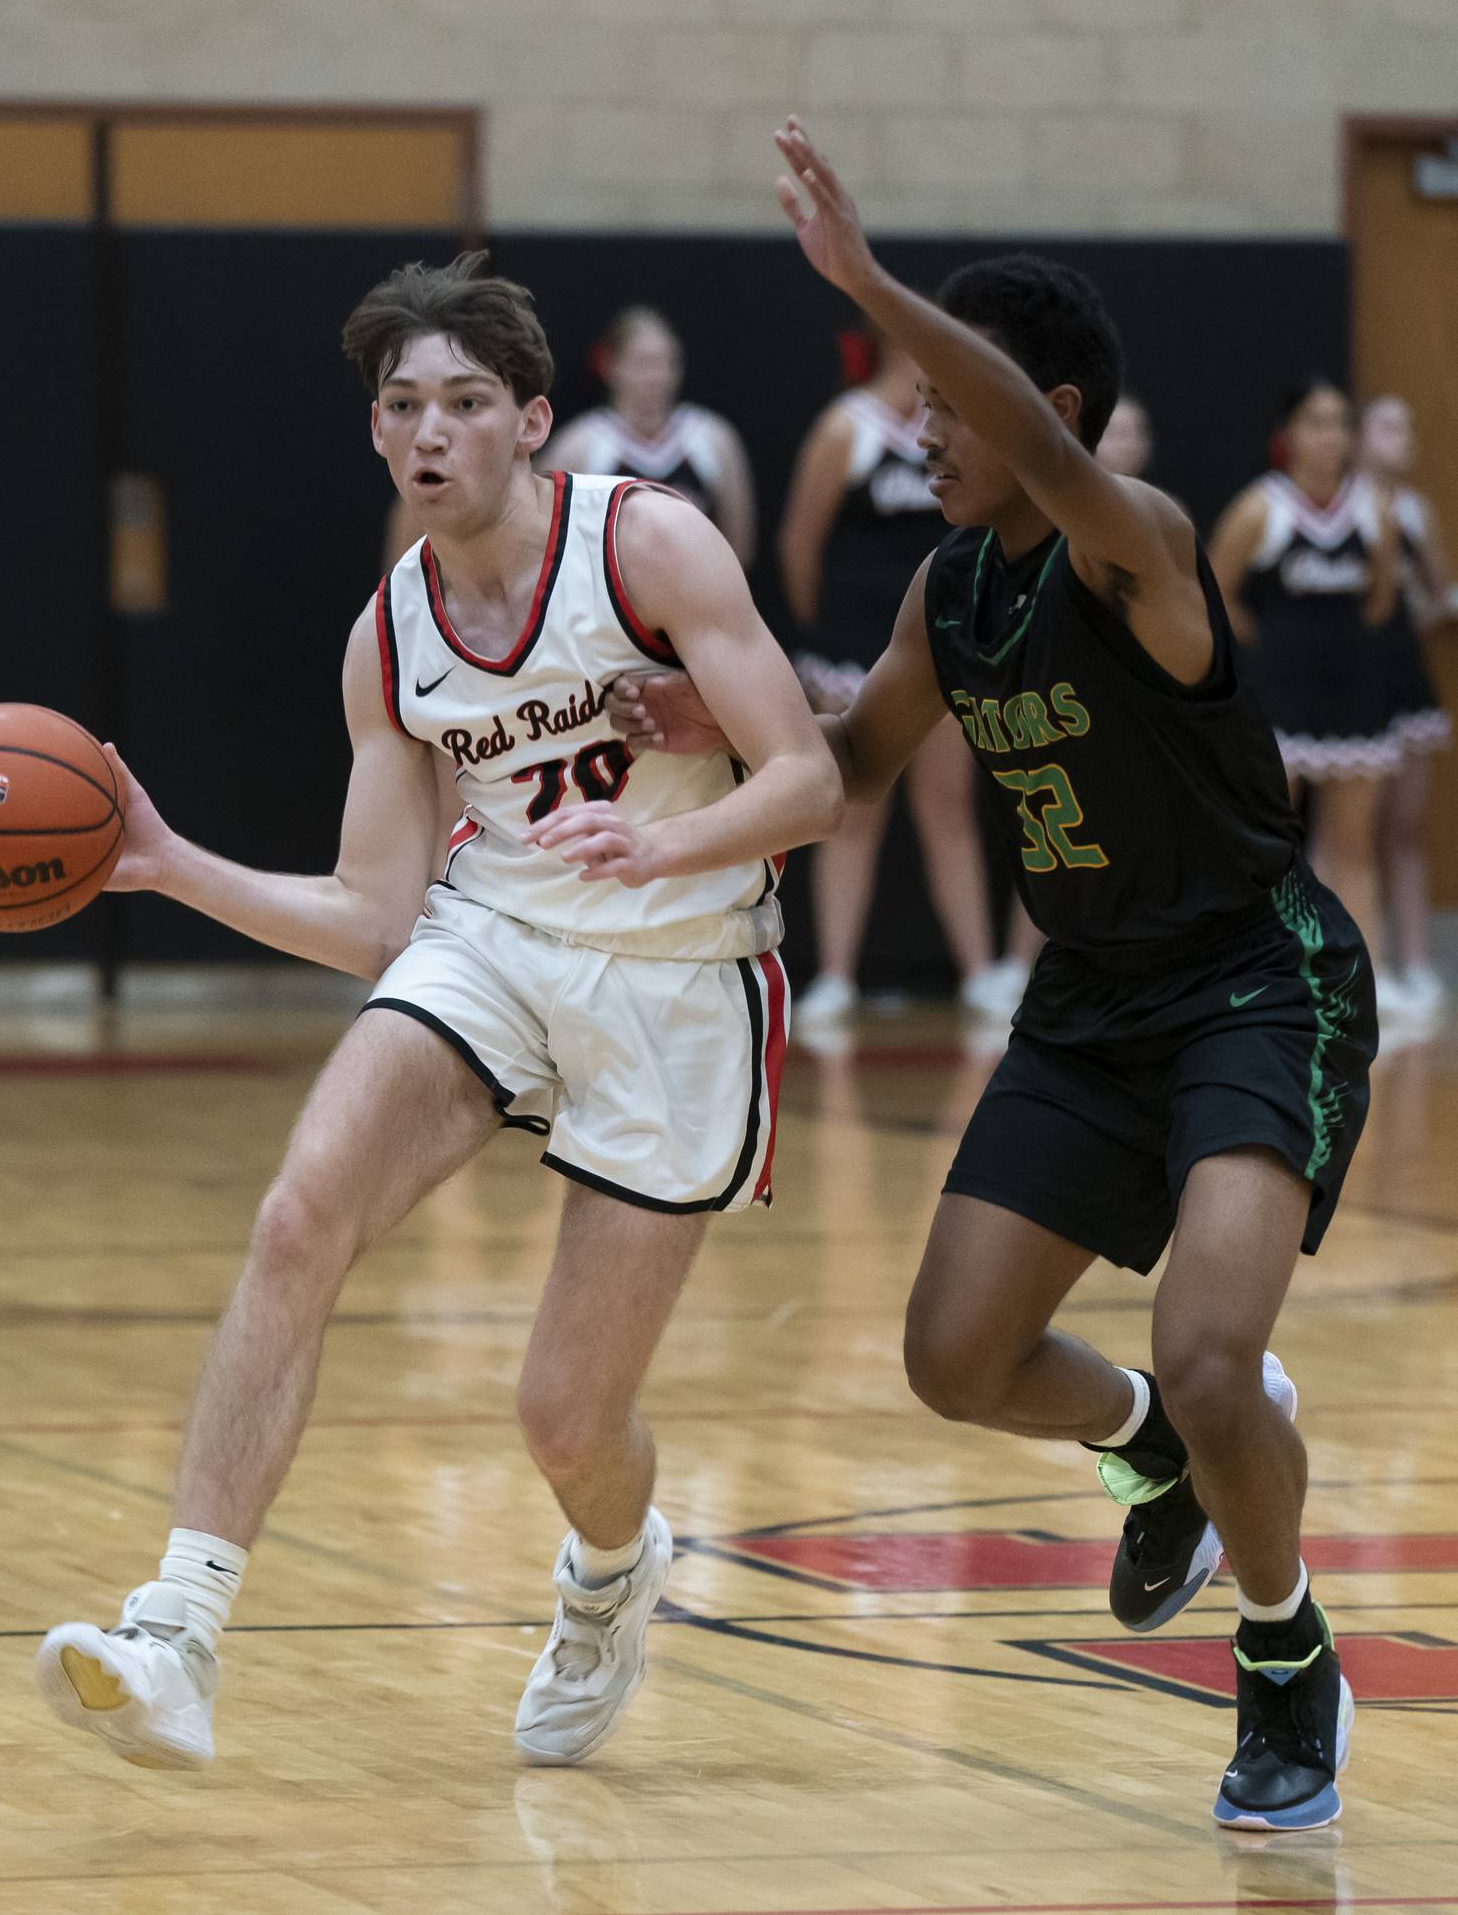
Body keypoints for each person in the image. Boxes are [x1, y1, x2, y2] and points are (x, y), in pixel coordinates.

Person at [614, 119, 1375, 1833]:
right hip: (1092, 1003)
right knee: (954, 1357)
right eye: (919, 398)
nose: (924, 429)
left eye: (952, 405)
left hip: (1258, 983)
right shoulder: (949, 597)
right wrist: (717, 727)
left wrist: (870, 278)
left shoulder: (1141, 550)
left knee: (1211, 1344)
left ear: (1055, 422)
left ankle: (1281, 1650)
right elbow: (854, 763)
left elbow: (1026, 427)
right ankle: (1163, 1456)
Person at [34, 253, 840, 1772]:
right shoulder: (390, 635)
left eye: (466, 402)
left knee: (562, 1419)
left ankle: (613, 1571)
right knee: (298, 1218)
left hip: (680, 970)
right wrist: (163, 863)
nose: (431, 431)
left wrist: (665, 840)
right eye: (404, 405)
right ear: (379, 433)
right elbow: (371, 916)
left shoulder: (647, 544)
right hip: (495, 941)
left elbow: (813, 780)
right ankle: (177, 1634)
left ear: (535, 420)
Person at [780, 328, 1032, 1024]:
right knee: (854, 811)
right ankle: (835, 976)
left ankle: (980, 973)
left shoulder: (954, 433)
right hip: (853, 648)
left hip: (942, 646)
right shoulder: (845, 428)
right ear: (900, 346)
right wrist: (830, 632)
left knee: (949, 807)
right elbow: (800, 545)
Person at [1207, 381, 1401, 964]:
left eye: (1340, 423)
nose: (1330, 436)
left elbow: (1381, 600)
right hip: (1278, 698)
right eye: (1316, 423)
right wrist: (1274, 647)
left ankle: (1366, 976)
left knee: (1356, 847)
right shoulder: (1259, 507)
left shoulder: (1375, 509)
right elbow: (1217, 593)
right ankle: (1259, 969)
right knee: (1269, 844)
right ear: (1287, 435)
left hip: (1354, 694)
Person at [1358, 394, 1454, 1013]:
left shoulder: (1418, 510)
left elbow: (1440, 595)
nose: (1405, 436)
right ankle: (1364, 966)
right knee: (1351, 835)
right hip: (1349, 685)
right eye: (1390, 426)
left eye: (1409, 425)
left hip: (1406, 679)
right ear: (1359, 437)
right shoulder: (1341, 511)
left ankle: (1416, 961)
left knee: (1407, 827)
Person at [544, 306, 757, 566]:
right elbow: (542, 537)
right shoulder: (580, 444)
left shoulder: (713, 437)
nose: (656, 376)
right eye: (643, 363)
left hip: (695, 597)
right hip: (610, 601)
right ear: (610, 366)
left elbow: (740, 546)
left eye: (666, 362)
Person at [1095, 392, 1154, 480]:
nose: (1128, 445)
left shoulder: (1154, 493)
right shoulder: (1071, 492)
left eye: (1139, 433)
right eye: (1117, 434)